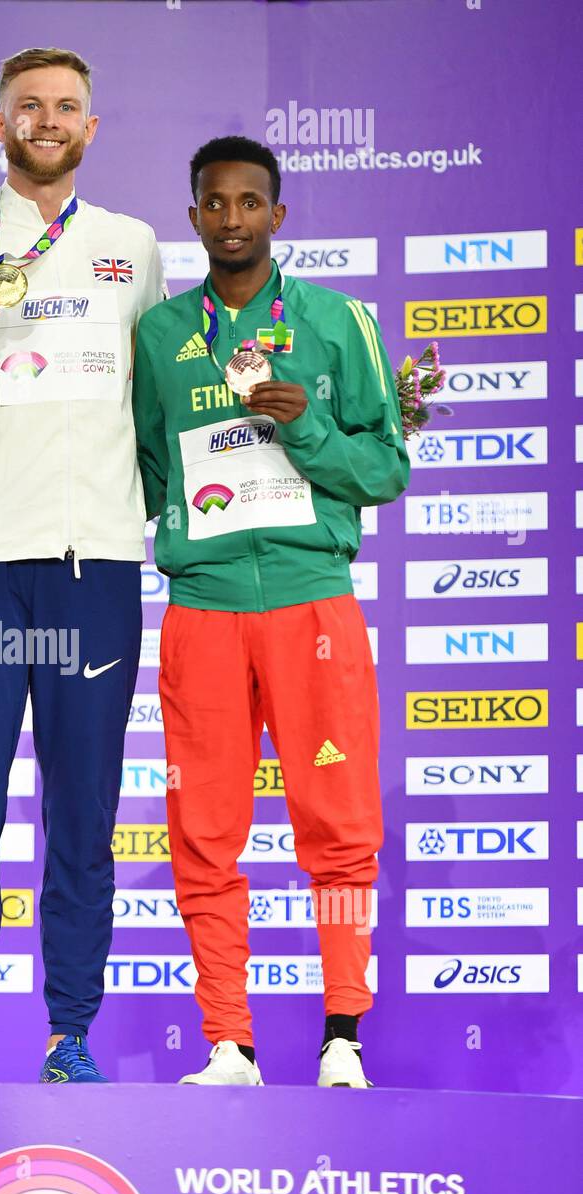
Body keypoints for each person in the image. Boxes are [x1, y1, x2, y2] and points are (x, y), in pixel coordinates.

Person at [0, 47, 167, 1084]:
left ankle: (70, 1034)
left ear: (90, 128)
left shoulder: (132, 247)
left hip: (92, 560)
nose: (46, 121)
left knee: (82, 808)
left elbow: (156, 405)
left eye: (65, 108)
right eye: (28, 107)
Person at [132, 135, 408, 1088]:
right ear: (195, 213)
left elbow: (383, 469)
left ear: (276, 216)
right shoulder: (161, 336)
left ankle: (341, 1036)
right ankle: (228, 1043)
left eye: (251, 203)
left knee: (337, 825)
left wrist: (309, 426)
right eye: (215, 203)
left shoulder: (337, 323)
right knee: (203, 830)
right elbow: (154, 470)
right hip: (202, 611)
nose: (233, 219)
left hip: (310, 606)